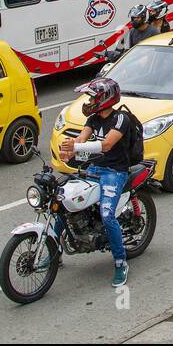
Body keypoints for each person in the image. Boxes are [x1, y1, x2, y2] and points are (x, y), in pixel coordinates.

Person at [57, 78, 137, 287]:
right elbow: (81, 140)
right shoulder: (93, 119)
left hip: (114, 173)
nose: (89, 101)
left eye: (93, 97)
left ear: (105, 98)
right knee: (62, 204)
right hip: (94, 169)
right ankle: (54, 252)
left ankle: (120, 262)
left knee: (107, 214)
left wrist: (77, 148)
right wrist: (68, 147)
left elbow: (108, 144)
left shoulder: (121, 119)